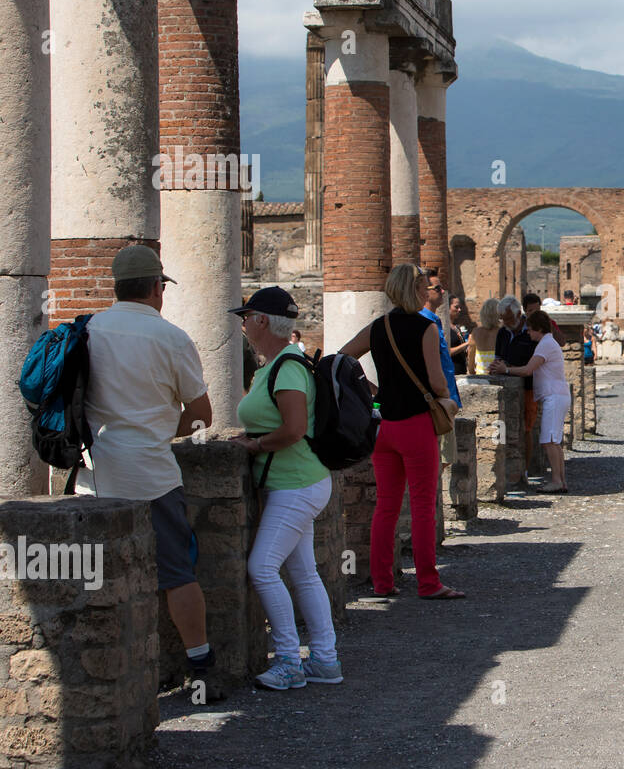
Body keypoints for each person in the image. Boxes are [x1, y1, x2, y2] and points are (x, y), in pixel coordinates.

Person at [79, 246, 219, 691]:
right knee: (177, 572)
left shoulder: (88, 330)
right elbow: (202, 415)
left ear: (116, 287)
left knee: (98, 574)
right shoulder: (171, 337)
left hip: (94, 474)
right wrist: (162, 428)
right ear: (158, 288)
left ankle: (98, 667)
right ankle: (199, 664)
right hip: (153, 473)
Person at [231, 287, 341, 689]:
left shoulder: (289, 367)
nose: (242, 324)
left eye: (246, 316)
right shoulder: (277, 364)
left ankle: (290, 661)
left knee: (261, 568)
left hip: (295, 484)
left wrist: (255, 444)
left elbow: (294, 429)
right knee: (304, 573)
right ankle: (326, 661)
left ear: (261, 320)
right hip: (297, 483)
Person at [340, 263, 465, 599]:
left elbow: (342, 359)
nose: (428, 289)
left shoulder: (377, 326)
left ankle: (382, 582)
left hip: (385, 427)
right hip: (416, 426)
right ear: (416, 289)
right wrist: (443, 399)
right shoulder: (425, 326)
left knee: (386, 507)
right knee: (423, 506)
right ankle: (428, 582)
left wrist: (373, 390)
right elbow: (437, 380)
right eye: (424, 285)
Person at [490, 310, 570, 492]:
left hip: (554, 396)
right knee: (554, 440)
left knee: (549, 440)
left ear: (538, 329)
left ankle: (557, 481)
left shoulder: (545, 344)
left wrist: (506, 370)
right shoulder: (548, 343)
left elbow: (528, 370)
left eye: (531, 329)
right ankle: (561, 480)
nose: (528, 332)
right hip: (557, 395)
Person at [497, 295, 540, 484]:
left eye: (508, 318)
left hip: (529, 386)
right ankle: (510, 469)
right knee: (505, 427)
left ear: (517, 314)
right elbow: (499, 356)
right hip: (507, 385)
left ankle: (524, 469)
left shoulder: (531, 331)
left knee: (526, 428)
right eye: (503, 319)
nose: (506, 322)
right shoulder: (503, 332)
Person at [417, 268, 461, 409]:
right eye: (437, 288)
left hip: (446, 399)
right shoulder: (422, 322)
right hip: (437, 402)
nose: (442, 292)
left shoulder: (435, 320)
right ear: (424, 291)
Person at [469, 298, 501, 376]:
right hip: (498, 377)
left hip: (480, 377)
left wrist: (472, 372)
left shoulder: (475, 332)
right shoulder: (502, 332)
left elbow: (471, 358)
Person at [446, 296, 472, 375]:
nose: (459, 310)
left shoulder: (456, 327)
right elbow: (446, 352)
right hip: (452, 372)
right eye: (456, 307)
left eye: (460, 307)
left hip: (461, 371)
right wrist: (467, 343)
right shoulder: (444, 328)